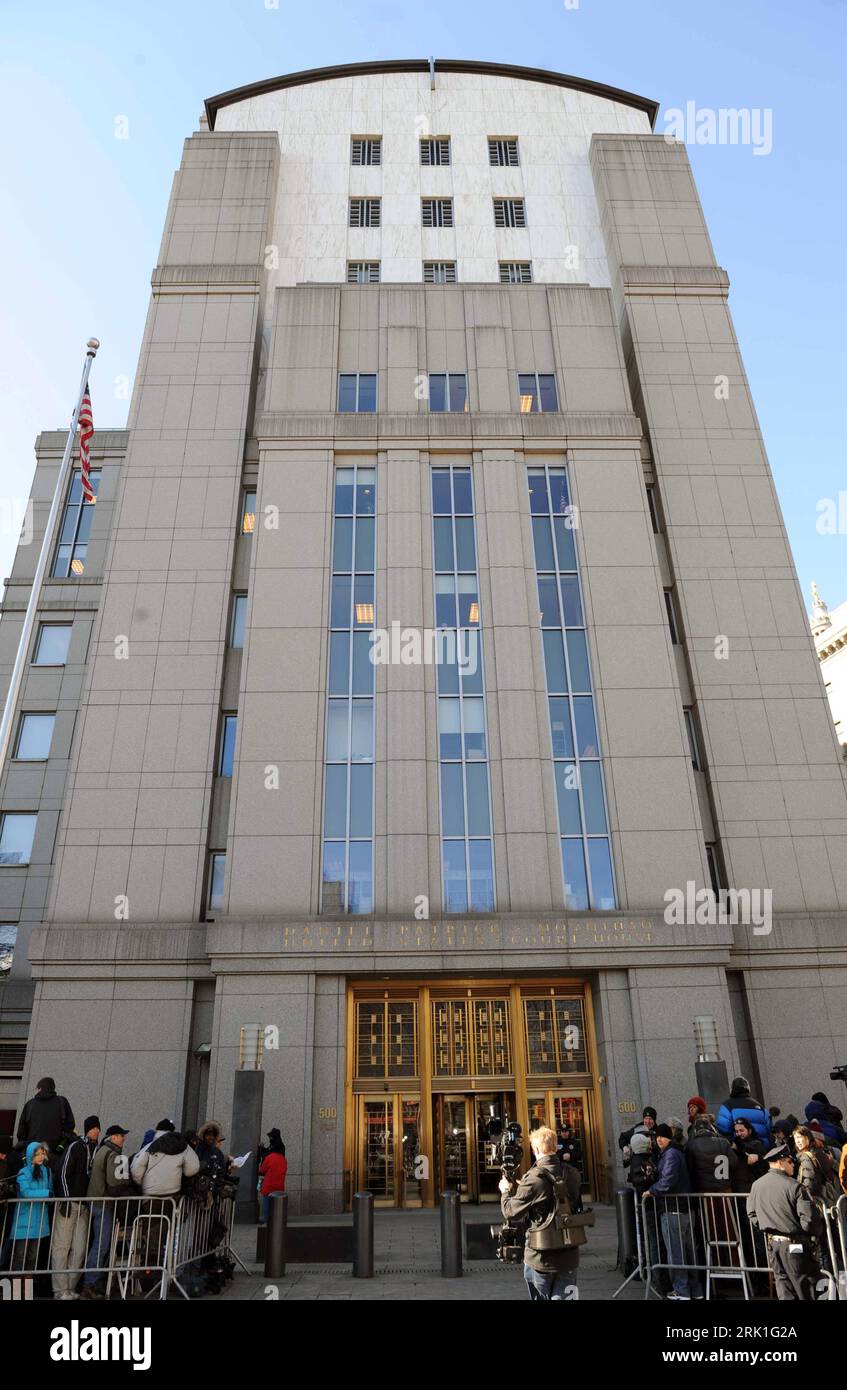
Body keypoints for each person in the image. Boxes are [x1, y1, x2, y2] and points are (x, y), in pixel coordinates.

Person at [499, 1125, 586, 1301]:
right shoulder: (573, 1173)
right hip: (569, 1253)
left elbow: (510, 1211)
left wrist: (505, 1191)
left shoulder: (533, 1178)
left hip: (541, 1255)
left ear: (536, 1149)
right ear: (555, 1145)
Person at [746, 1143, 822, 1300]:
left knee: (784, 1288)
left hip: (773, 1245)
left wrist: (768, 1227)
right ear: (780, 1163)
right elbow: (808, 1220)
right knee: (805, 1288)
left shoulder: (757, 1185)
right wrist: (812, 1236)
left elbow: (752, 1214)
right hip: (795, 1244)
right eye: (790, 1161)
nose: (793, 1164)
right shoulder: (794, 1187)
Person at [645, 1122, 703, 1300]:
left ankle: (682, 1290)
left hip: (673, 1209)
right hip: (684, 1208)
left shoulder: (670, 1154)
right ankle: (696, 1290)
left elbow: (668, 1180)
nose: (659, 1140)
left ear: (669, 1137)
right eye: (657, 1137)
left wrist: (651, 1190)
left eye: (662, 1136)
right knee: (689, 1251)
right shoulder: (677, 1152)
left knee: (677, 1252)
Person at [81, 1125, 133, 1299]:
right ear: (113, 1137)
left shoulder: (102, 1150)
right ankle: (90, 1284)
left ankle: (92, 1282)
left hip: (96, 1202)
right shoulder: (112, 1154)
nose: (123, 1138)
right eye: (120, 1135)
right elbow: (114, 1183)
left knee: (99, 1244)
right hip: (103, 1203)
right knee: (101, 1245)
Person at [52, 1115, 100, 1300]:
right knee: (62, 1247)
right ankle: (59, 1290)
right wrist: (65, 1199)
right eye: (93, 1128)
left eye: (98, 1128)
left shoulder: (97, 1150)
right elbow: (63, 1173)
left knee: (79, 1249)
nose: (96, 1131)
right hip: (69, 1202)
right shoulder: (75, 1146)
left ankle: (70, 1288)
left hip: (84, 1206)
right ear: (87, 1129)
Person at [10, 1142, 53, 1279]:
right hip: (25, 1220)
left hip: (39, 1220)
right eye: (37, 1154)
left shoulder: (46, 1171)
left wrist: (49, 1193)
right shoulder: (23, 1172)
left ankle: (27, 1291)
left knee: (32, 1257)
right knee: (20, 1255)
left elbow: (50, 1189)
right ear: (30, 1156)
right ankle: (16, 1292)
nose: (40, 1157)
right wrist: (46, 1194)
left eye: (42, 1153)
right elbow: (26, 1192)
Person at [130, 1127, 199, 1197]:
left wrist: (141, 1184)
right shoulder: (184, 1147)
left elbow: (137, 1168)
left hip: (150, 1194)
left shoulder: (151, 1145)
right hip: (173, 1193)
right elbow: (192, 1169)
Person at [16, 1077, 75, 1152]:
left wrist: (25, 1148)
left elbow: (21, 1131)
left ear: (40, 1088)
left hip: (34, 1152)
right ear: (53, 1088)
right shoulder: (61, 1101)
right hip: (56, 1151)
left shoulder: (30, 1104)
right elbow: (70, 1125)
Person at [685, 1113, 738, 1193]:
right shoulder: (724, 1142)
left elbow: (689, 1168)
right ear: (710, 1128)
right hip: (725, 1188)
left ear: (695, 1130)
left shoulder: (691, 1145)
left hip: (704, 1190)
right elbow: (734, 1163)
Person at [716, 1077, 771, 1144]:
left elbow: (723, 1129)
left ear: (733, 1089)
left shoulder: (727, 1105)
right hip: (760, 1148)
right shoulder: (760, 1107)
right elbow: (769, 1129)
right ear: (748, 1088)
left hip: (739, 1150)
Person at [793, 1126, 839, 1205]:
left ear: (807, 1137)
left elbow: (809, 1185)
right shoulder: (817, 1150)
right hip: (834, 1193)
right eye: (795, 1138)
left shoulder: (807, 1157)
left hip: (824, 1200)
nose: (797, 1141)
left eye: (799, 1137)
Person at [731, 1117, 767, 1192]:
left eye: (741, 1130)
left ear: (749, 1130)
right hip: (739, 1185)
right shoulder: (734, 1144)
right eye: (736, 1131)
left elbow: (765, 1162)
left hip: (753, 1184)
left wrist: (758, 1158)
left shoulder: (757, 1144)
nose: (739, 1134)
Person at [258, 1135, 288, 1223]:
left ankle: (265, 1220)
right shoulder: (283, 1159)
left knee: (266, 1206)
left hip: (268, 1186)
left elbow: (262, 1170)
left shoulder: (269, 1157)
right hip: (279, 1186)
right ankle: (276, 1221)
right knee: (277, 1206)